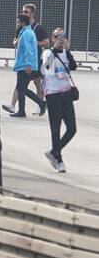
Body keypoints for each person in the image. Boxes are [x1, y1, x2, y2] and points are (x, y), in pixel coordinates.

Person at [40, 28, 78, 174]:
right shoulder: (48, 53)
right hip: (53, 95)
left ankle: (54, 151)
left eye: (62, 36)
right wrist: (55, 50)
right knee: (55, 129)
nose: (60, 39)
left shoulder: (66, 53)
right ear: (53, 38)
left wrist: (67, 51)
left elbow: (73, 67)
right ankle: (58, 159)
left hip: (66, 94)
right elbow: (46, 69)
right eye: (57, 37)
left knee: (72, 129)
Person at [5, 13, 45, 117]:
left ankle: (24, 110)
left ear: (22, 23)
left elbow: (28, 50)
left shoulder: (26, 33)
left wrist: (28, 64)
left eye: (18, 22)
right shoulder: (26, 32)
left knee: (21, 88)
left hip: (25, 65)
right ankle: (39, 104)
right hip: (25, 65)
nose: (17, 24)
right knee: (22, 88)